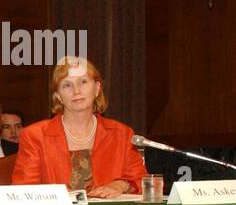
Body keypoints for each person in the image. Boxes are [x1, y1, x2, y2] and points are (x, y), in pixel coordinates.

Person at [12, 56, 146, 197]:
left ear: (97, 88)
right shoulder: (34, 135)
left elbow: (143, 182)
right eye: (67, 85)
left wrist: (120, 185)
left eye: (83, 82)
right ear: (58, 95)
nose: (76, 91)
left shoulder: (122, 133)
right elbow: (22, 190)